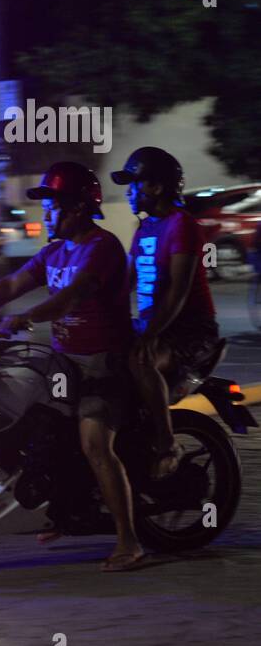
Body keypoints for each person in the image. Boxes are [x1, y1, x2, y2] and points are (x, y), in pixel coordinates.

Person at [0, 162, 145, 571]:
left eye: (53, 205)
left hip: (103, 366)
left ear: (79, 208)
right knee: (35, 426)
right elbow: (9, 286)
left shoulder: (103, 247)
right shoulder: (53, 252)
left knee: (95, 445)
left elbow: (75, 296)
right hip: (64, 363)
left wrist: (28, 316)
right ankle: (68, 508)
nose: (45, 215)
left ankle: (129, 542)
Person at [112, 146, 220, 480]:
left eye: (134, 184)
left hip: (190, 331)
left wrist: (148, 334)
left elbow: (178, 291)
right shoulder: (143, 230)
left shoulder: (181, 225)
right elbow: (123, 284)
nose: (129, 192)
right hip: (156, 327)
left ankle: (166, 443)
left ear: (156, 187)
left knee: (140, 359)